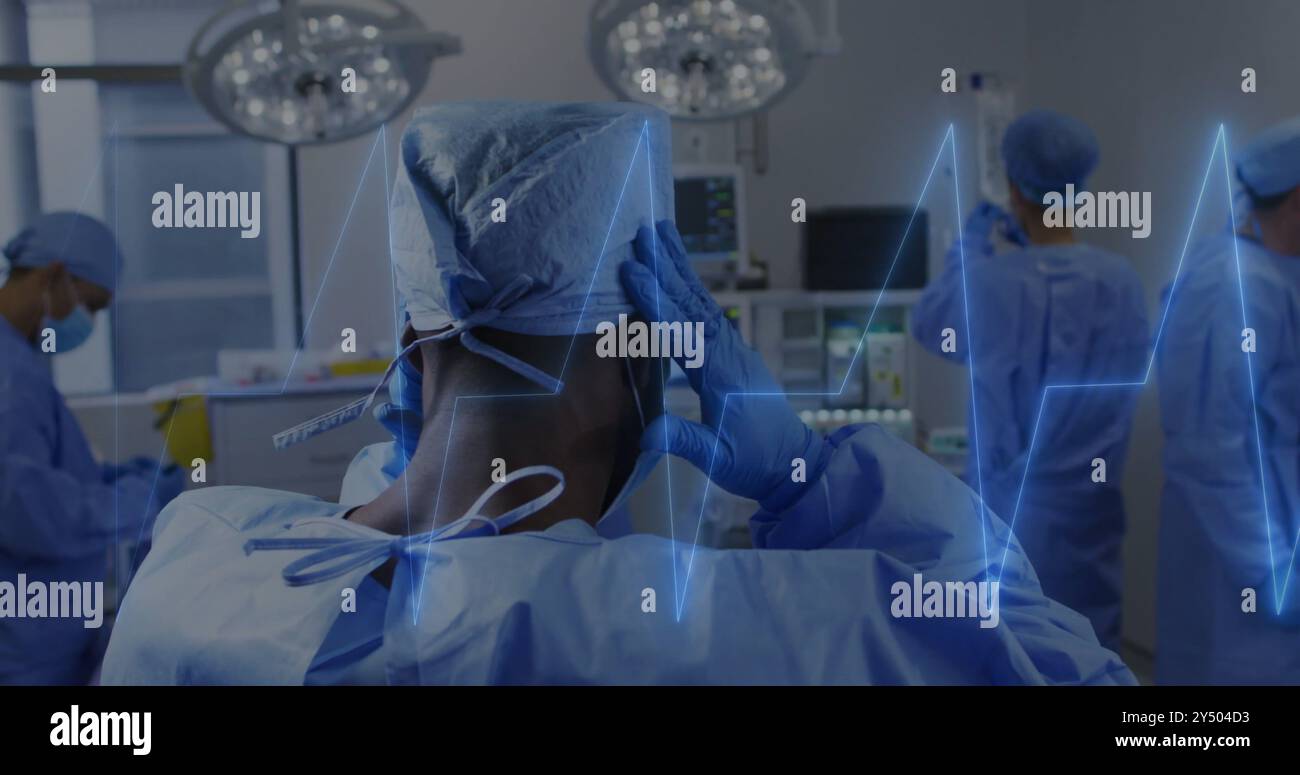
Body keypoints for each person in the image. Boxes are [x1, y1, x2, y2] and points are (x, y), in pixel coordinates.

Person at [102, 102, 1133, 685]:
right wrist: (806, 475)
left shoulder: (199, 557)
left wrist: (418, 466)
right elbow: (1063, 664)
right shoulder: (686, 637)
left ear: (410, 350)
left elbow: (398, 567)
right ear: (646, 359)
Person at [911, 110, 1150, 650]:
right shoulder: (1120, 282)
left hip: (1003, 510)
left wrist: (968, 247)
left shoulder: (989, 281)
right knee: (1085, 650)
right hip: (1087, 511)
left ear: (1014, 189)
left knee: (1009, 651)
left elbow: (929, 323)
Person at [0, 212, 184, 684]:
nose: (92, 322)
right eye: (94, 306)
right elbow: (28, 512)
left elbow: (38, 472)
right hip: (22, 647)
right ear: (56, 275)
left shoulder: (20, 360)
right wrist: (139, 500)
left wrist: (114, 480)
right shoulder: (9, 376)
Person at [1156, 116, 1300, 684]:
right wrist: (1270, 573)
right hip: (1248, 570)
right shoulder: (1234, 286)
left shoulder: (1279, 273)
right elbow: (1209, 449)